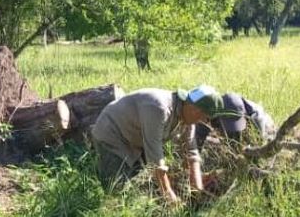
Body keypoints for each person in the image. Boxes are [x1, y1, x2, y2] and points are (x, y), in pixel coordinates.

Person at [91, 85, 224, 202]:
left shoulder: (186, 115)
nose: (201, 121)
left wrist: (197, 188)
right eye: (203, 117)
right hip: (112, 135)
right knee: (120, 193)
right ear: (193, 108)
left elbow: (191, 152)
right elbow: (155, 161)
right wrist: (169, 195)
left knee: (145, 188)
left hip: (136, 139)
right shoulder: (159, 108)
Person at [196, 92, 276, 149]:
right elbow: (199, 136)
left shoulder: (257, 118)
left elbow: (260, 146)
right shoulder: (212, 111)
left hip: (265, 131)